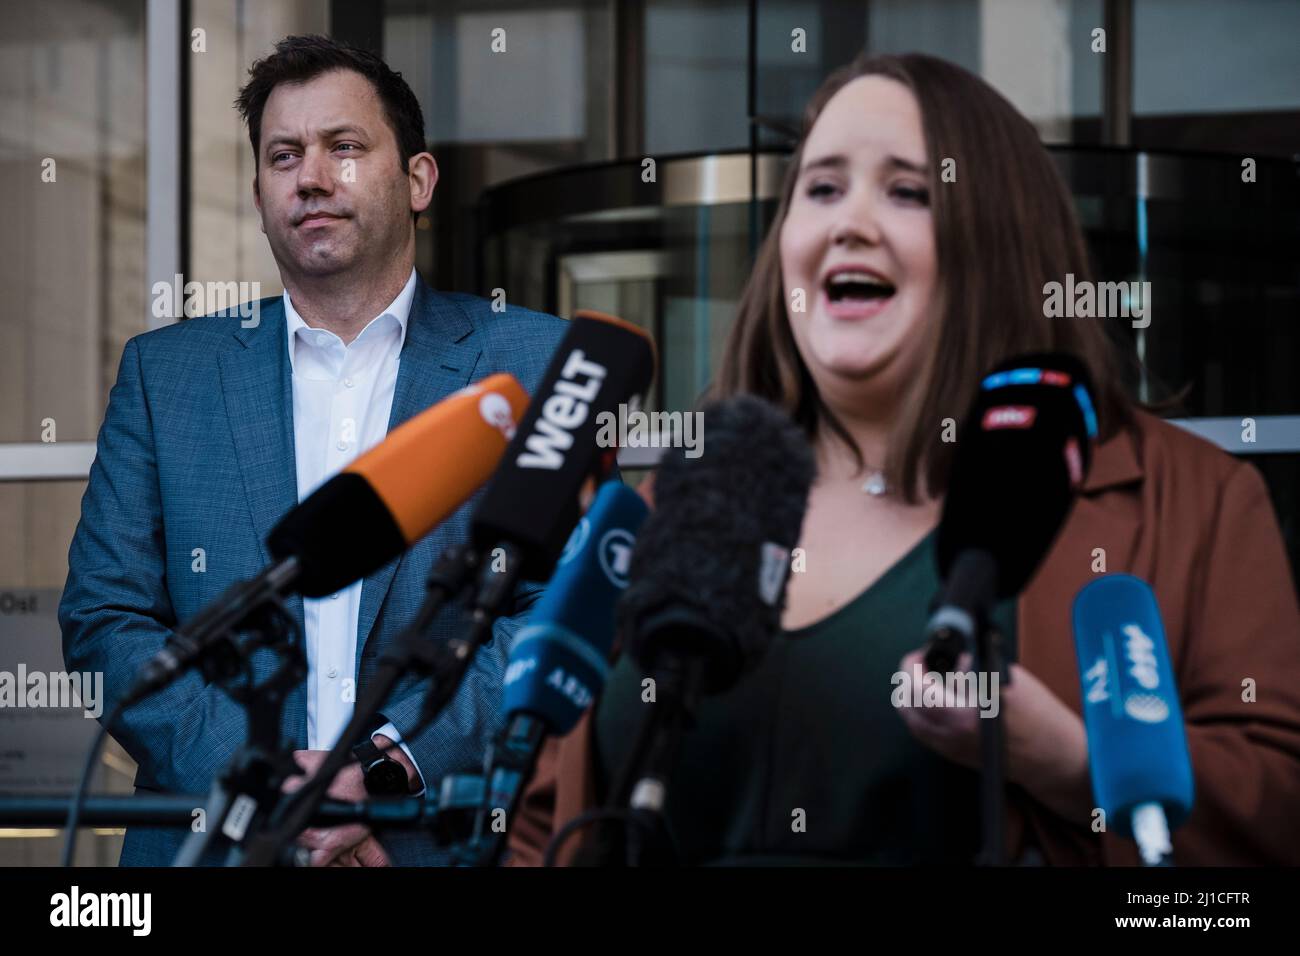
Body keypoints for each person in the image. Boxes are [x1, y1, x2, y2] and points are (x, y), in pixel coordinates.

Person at [508, 52, 1300, 866]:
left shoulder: (1189, 499)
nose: (850, 223)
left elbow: (1277, 809)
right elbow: (544, 818)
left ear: (1000, 240)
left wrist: (1067, 762)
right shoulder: (680, 495)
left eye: (908, 191)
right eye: (821, 189)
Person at [60, 35, 567, 867]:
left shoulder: (531, 364)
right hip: (216, 844)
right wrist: (260, 780)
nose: (311, 177)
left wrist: (388, 769)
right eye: (283, 155)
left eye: (345, 147)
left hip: (435, 843)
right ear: (259, 193)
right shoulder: (167, 377)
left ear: (418, 181)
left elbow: (555, 607)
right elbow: (104, 616)